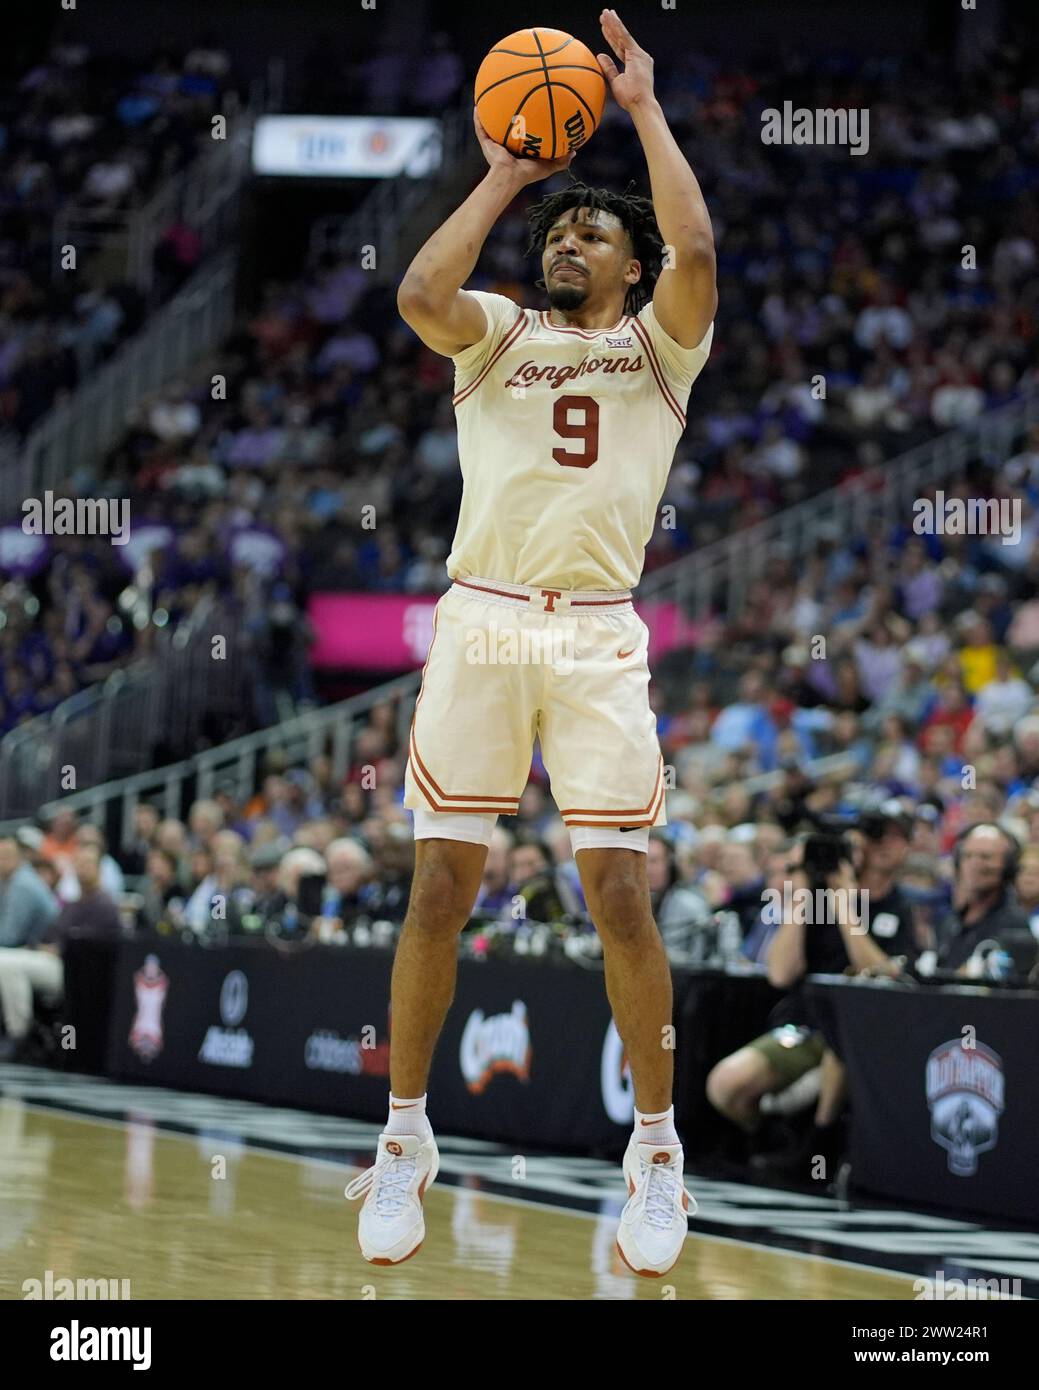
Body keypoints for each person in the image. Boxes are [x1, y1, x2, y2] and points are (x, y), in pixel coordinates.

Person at [347, 10, 716, 1277]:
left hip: (599, 636)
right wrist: (506, 169)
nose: (568, 238)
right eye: (559, 228)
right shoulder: (495, 332)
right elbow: (415, 293)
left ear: (629, 264)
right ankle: (405, 1137)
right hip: (483, 619)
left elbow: (702, 247)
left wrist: (647, 109)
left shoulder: (661, 349)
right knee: (440, 884)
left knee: (618, 892)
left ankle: (657, 1152)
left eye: (590, 229)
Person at [0, 843, 121, 1060]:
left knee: (6, 965)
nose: (82, 868)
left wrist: (59, 949)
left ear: (99, 869)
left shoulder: (105, 906)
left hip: (73, 973)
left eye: (88, 864)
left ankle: (18, 1034)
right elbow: (51, 935)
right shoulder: (72, 904)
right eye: (79, 864)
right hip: (50, 960)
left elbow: (93, 948)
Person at [935, 823, 1036, 975]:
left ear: (1008, 867)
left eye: (985, 857)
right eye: (968, 856)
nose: (974, 864)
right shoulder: (951, 922)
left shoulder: (1014, 925)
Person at [0, 835, 58, 949]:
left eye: (6, 855)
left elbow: (10, 938)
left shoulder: (22, 884)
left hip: (44, 951)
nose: (1, 860)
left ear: (20, 856)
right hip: (27, 948)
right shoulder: (6, 880)